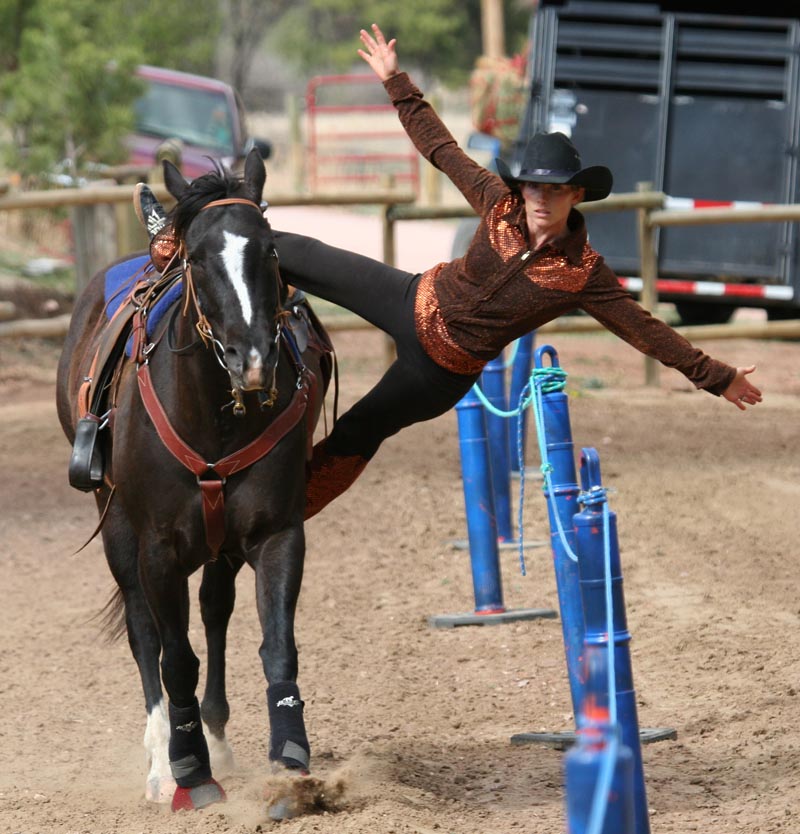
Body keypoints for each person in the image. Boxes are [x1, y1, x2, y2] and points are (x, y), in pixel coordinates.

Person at [136, 23, 762, 521]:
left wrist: (718, 376)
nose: (538, 198)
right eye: (532, 186)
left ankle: (277, 516)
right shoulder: (497, 201)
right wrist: (394, 82)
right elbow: (441, 149)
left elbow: (646, 331)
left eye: (553, 190)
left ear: (575, 195)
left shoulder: (584, 274)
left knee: (359, 428)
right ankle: (177, 243)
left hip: (440, 371)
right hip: (410, 297)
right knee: (280, 245)